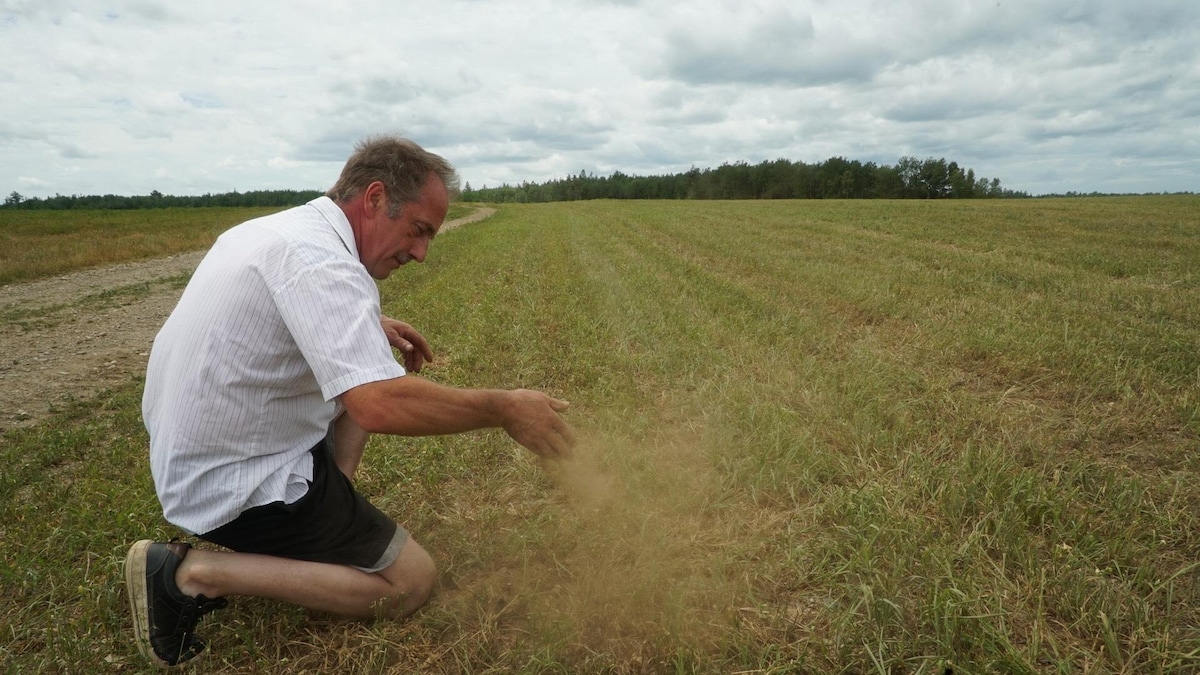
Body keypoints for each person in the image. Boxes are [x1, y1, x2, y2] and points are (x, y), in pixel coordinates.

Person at [124, 135, 576, 667]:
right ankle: (190, 575)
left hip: (196, 450)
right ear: (376, 199)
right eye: (419, 230)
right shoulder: (324, 266)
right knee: (409, 582)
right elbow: (379, 406)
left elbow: (277, 314)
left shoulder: (286, 232)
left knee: (358, 368)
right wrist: (504, 408)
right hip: (234, 480)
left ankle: (325, 507)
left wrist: (366, 325)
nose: (422, 253)